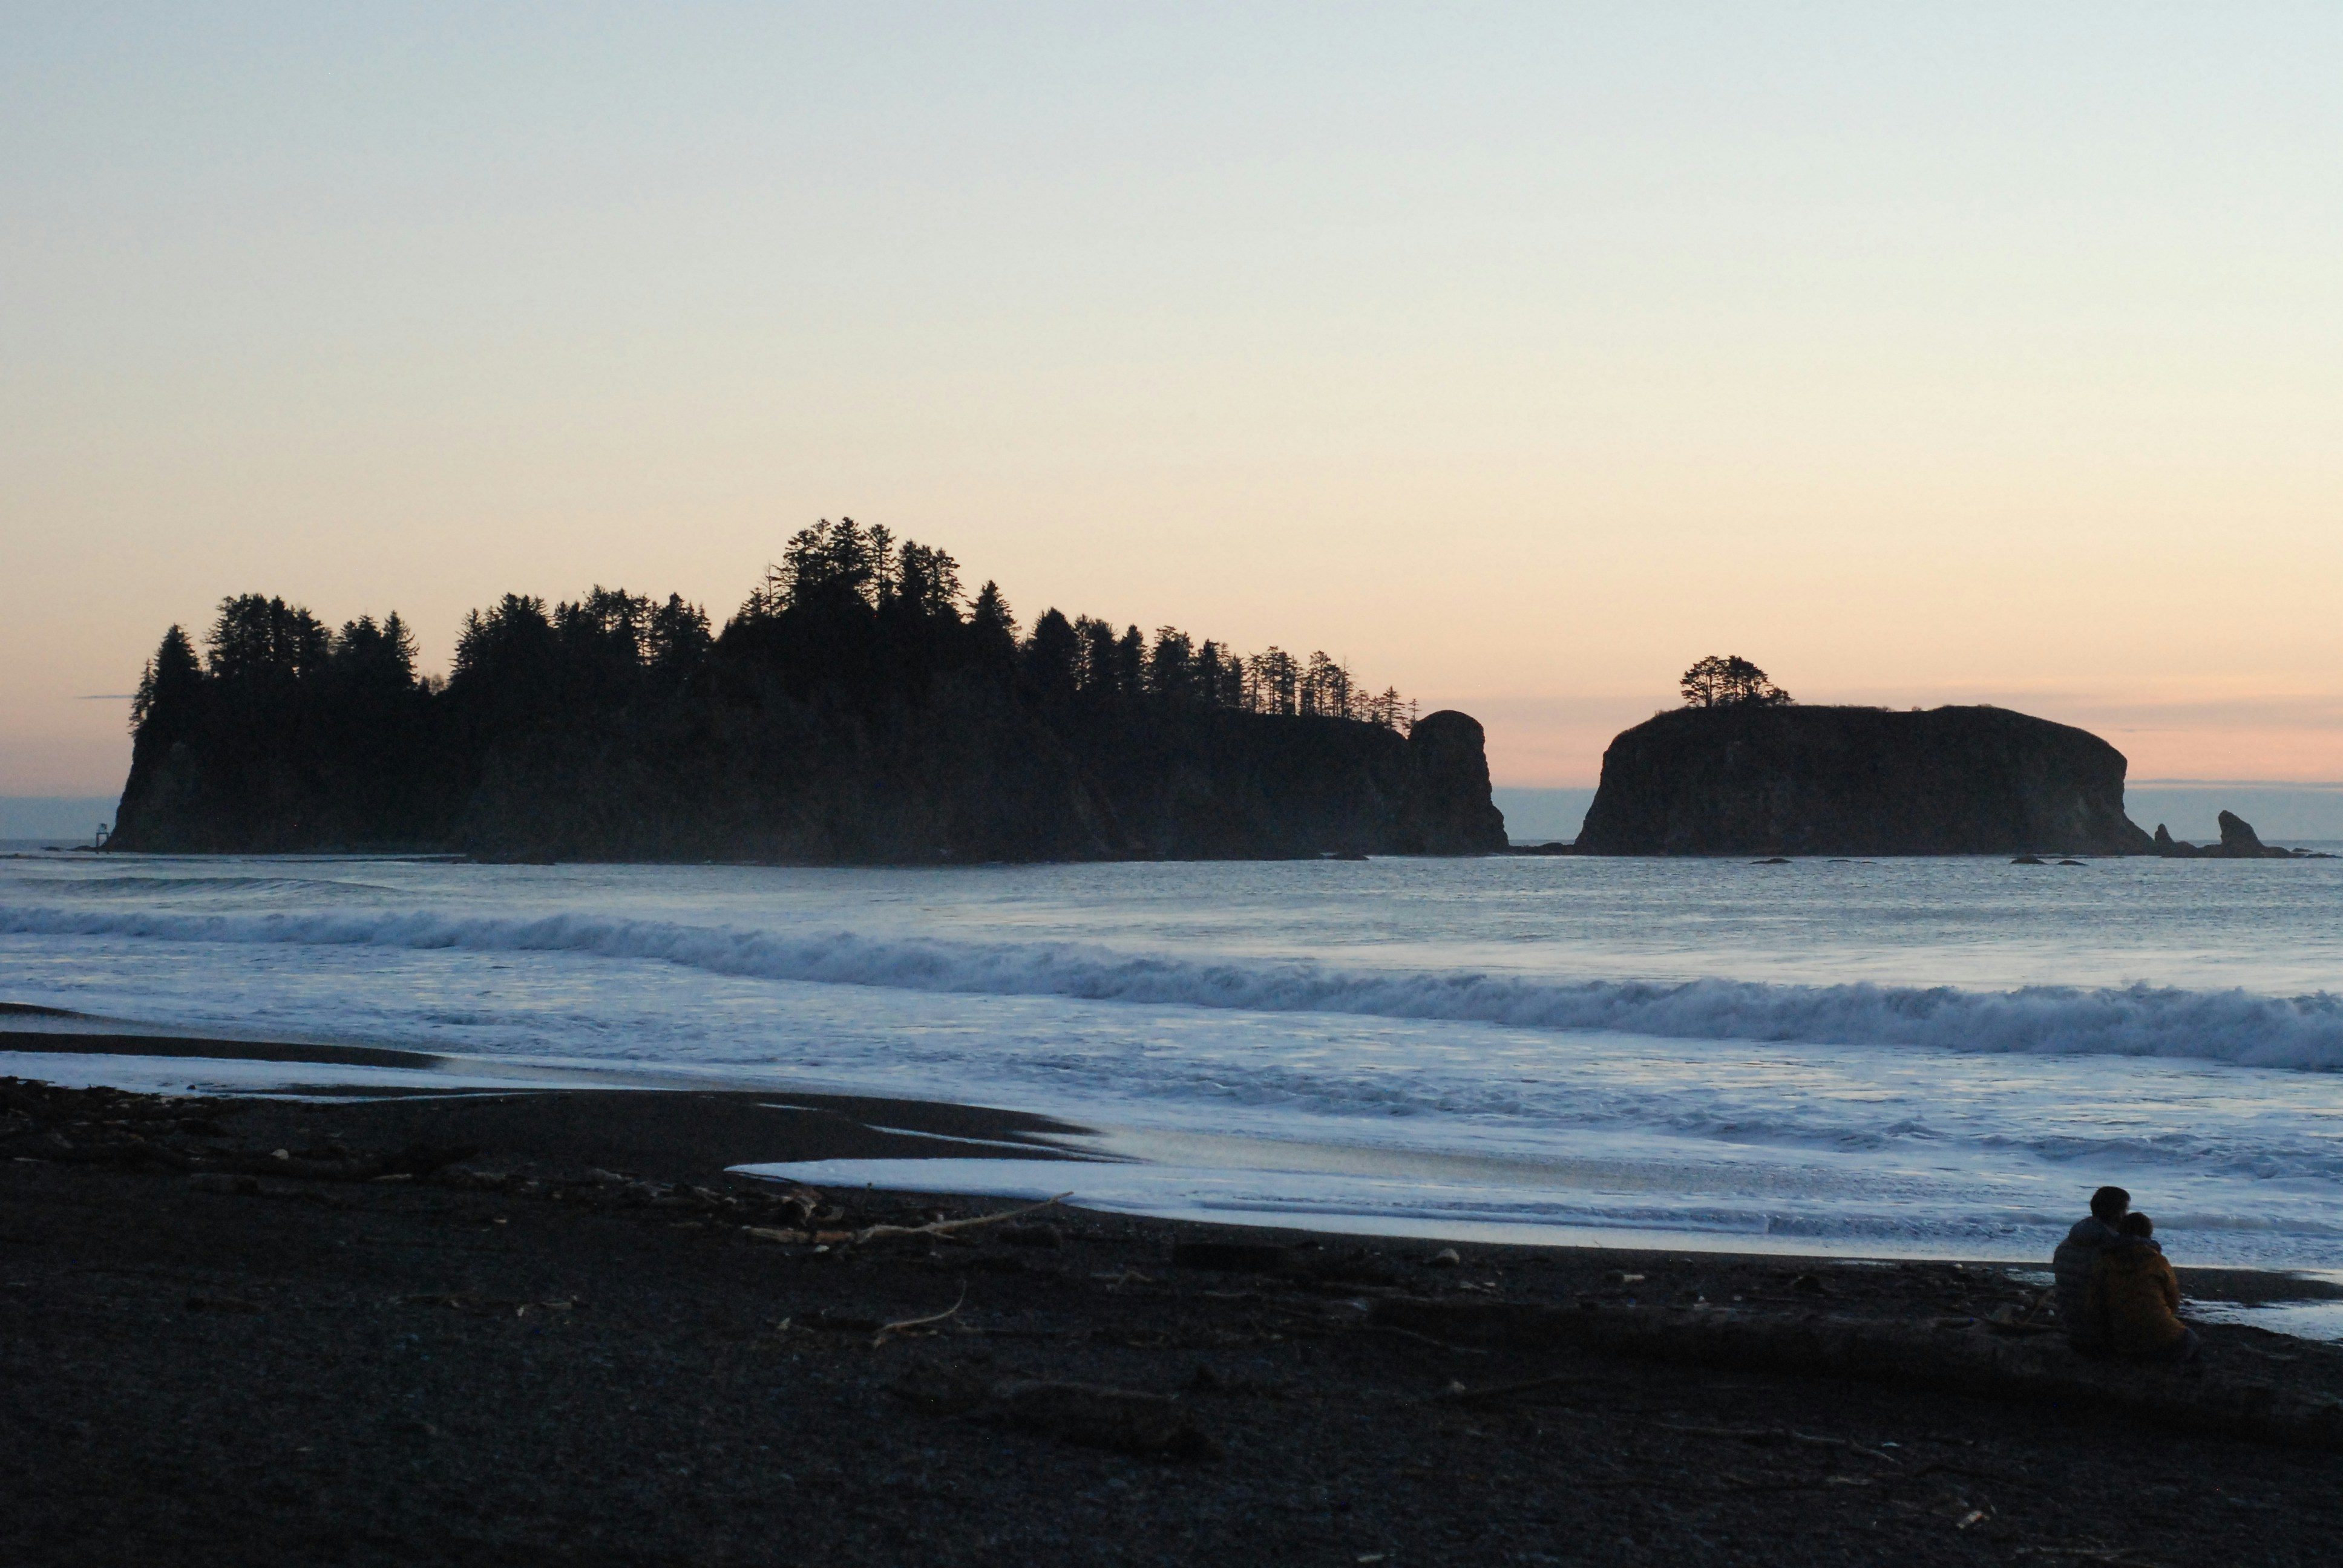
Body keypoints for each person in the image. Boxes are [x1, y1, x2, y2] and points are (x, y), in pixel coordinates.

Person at [2083, 1212, 2201, 1364]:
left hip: (2123, 1342)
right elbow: (2173, 1301)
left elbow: (2093, 1306)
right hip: (2166, 1339)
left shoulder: (2104, 1262)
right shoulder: (2157, 1261)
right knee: (2192, 1339)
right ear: (2149, 1235)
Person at [2051, 1186, 2129, 1350]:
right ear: (2118, 1214)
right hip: (2104, 1335)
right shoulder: (2113, 1250)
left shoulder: (2066, 1245)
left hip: (2073, 1329)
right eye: (2126, 1210)